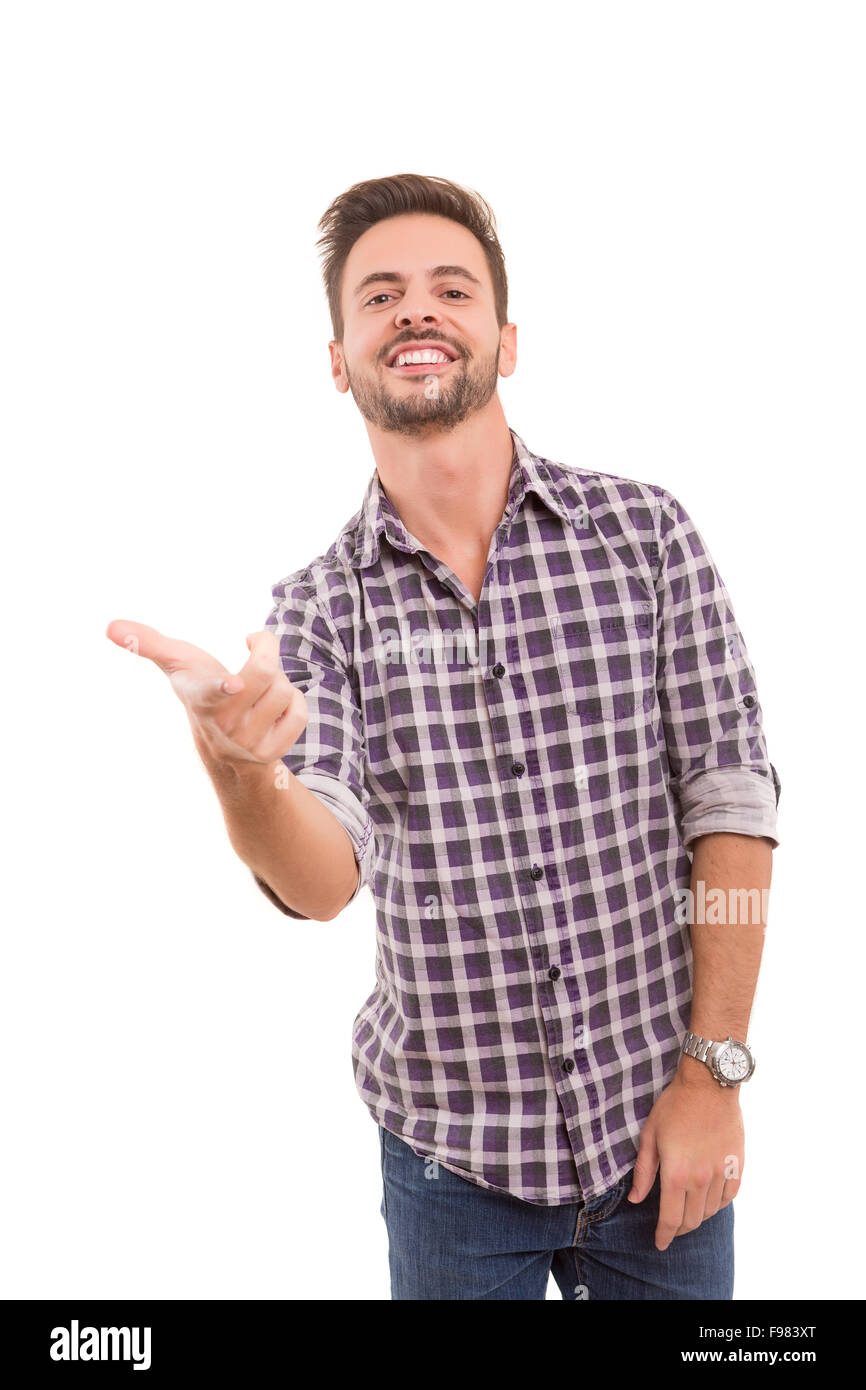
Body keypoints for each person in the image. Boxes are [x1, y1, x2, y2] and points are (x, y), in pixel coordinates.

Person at [107, 173, 781, 1301]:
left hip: (657, 1131)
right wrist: (239, 775)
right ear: (339, 359)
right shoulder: (319, 610)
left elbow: (729, 806)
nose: (415, 312)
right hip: (448, 1166)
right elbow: (323, 879)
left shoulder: (646, 536)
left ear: (504, 340)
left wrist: (712, 1069)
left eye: (448, 289)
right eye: (379, 297)